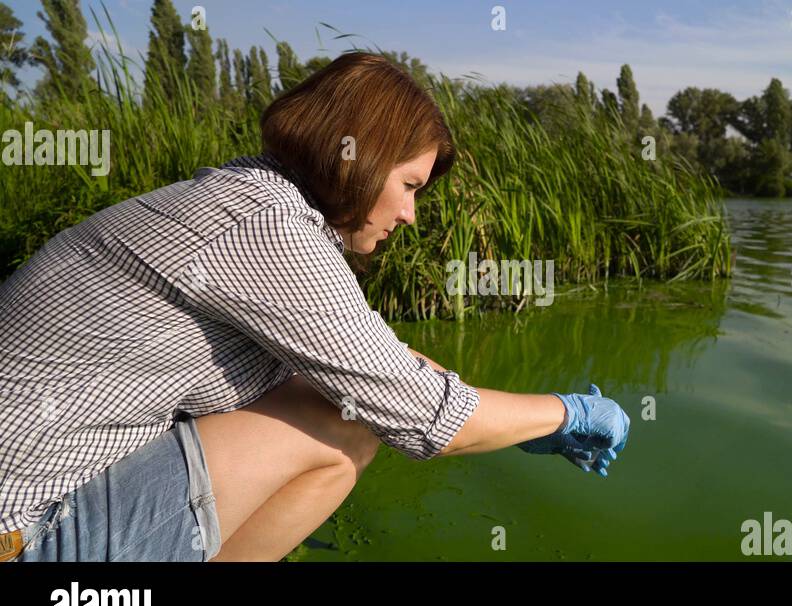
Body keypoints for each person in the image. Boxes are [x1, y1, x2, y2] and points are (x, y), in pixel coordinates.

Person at [0, 52, 630, 563]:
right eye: (409, 185)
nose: (411, 214)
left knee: (336, 396)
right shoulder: (267, 229)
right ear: (358, 159)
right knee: (346, 426)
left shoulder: (238, 195)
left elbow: (381, 368)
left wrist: (511, 423)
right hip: (25, 534)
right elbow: (422, 419)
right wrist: (564, 412)